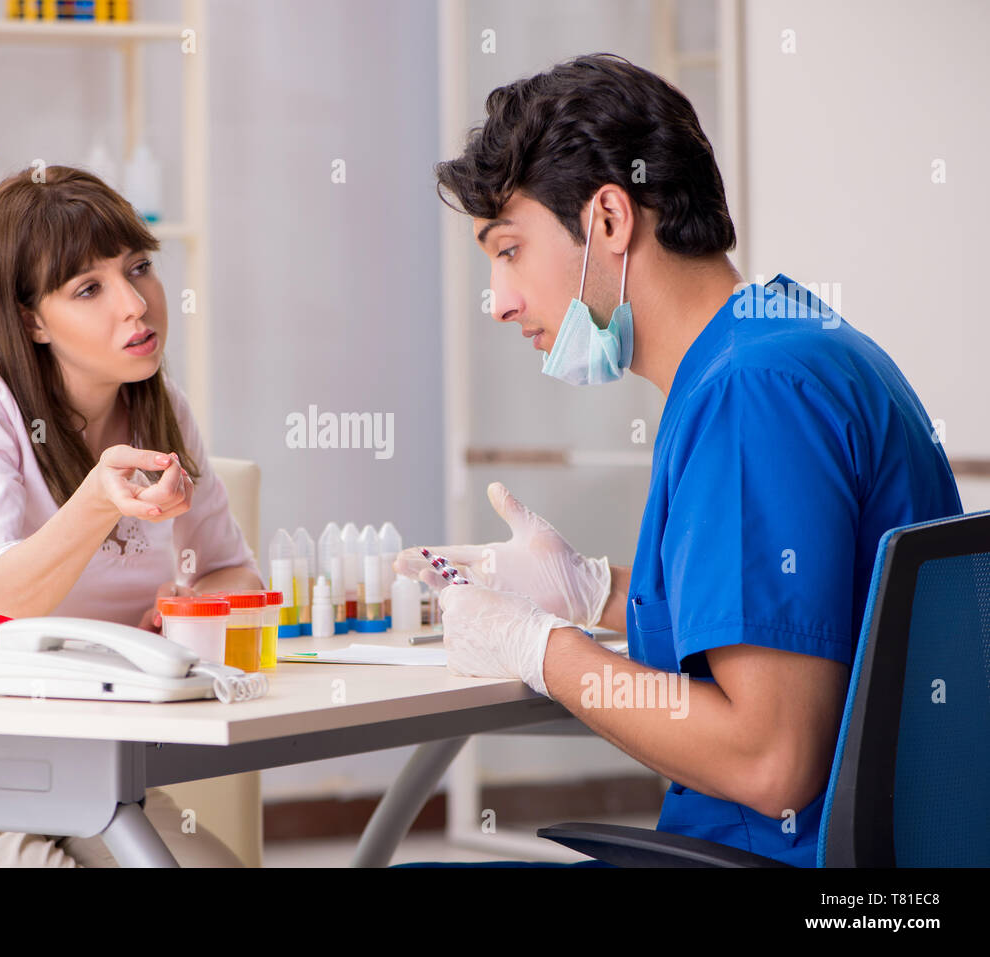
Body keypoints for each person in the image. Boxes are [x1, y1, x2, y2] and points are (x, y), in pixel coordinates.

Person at [397, 53, 962, 866]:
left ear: (610, 220)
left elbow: (770, 760)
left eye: (509, 249)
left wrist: (538, 649)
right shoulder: (784, 341)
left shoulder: (750, 394)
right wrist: (593, 593)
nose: (499, 300)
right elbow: (800, 617)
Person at [0, 165, 264, 867]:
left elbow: (233, 572)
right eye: (89, 288)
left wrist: (184, 606)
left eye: (139, 268)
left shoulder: (161, 408)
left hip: (99, 779)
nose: (136, 304)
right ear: (29, 318)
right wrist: (98, 502)